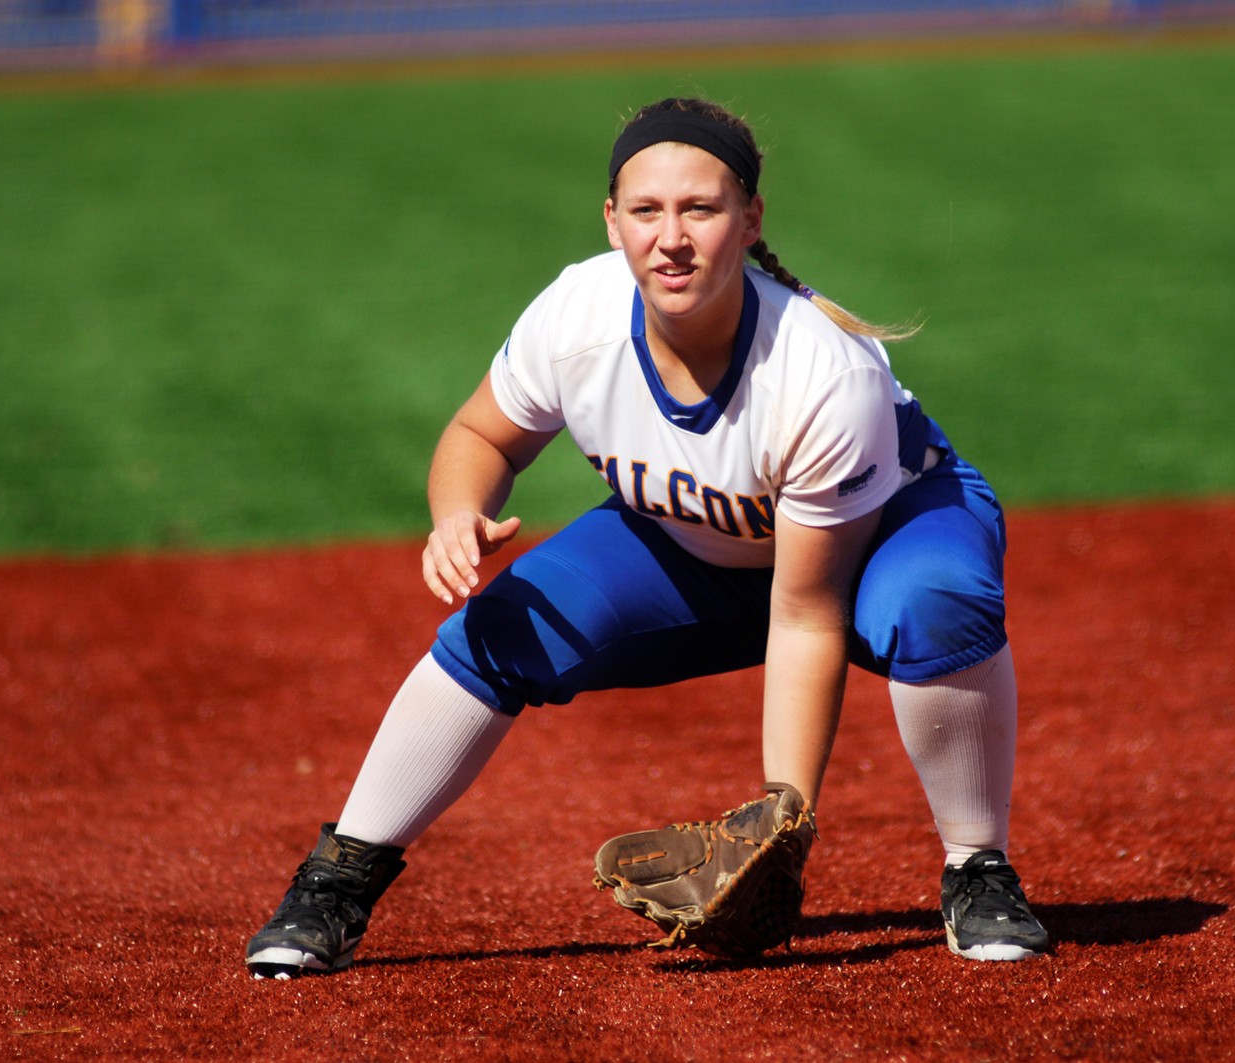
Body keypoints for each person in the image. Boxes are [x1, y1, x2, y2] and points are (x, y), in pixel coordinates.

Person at [244, 97, 1049, 979]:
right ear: (612, 221)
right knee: (497, 630)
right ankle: (337, 880)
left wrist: (782, 820)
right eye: (646, 210)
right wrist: (456, 510)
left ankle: (979, 866)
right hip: (701, 545)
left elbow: (807, 612)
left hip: (887, 532)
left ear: (750, 219)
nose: (672, 238)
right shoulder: (576, 317)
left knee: (933, 599)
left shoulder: (819, 372)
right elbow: (482, 436)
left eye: (700, 209)